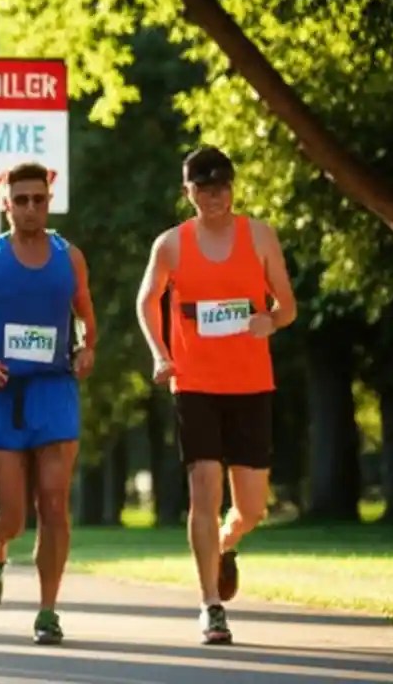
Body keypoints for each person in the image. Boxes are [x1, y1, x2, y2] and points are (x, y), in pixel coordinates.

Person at [135, 147, 296, 645]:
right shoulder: (172, 245)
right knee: (203, 489)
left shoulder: (259, 236)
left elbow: (286, 306)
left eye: (221, 187)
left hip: (251, 385)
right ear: (188, 192)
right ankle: (210, 605)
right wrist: (161, 354)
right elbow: (147, 301)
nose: (214, 197)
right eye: (203, 189)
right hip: (196, 384)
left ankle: (228, 542)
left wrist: (270, 319)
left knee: (252, 508)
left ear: (233, 187)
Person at [0, 161, 96, 646]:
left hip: (54, 389)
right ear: (6, 204)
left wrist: (88, 347)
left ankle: (48, 610)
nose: (30, 208)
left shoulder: (69, 258)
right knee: (11, 514)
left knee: (54, 503)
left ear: (48, 202)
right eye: (21, 200)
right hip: (2, 393)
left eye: (38, 199)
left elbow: (87, 316)